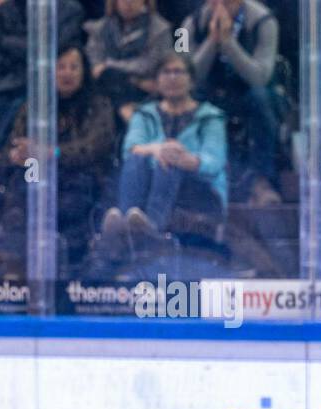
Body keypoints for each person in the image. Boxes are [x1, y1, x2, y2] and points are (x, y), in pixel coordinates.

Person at [0, 45, 114, 269]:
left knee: (65, 200)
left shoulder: (98, 105)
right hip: (34, 175)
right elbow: (14, 144)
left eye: (74, 67)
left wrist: (50, 153)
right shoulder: (34, 106)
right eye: (61, 67)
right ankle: (13, 264)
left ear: (84, 72)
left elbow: (94, 148)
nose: (67, 73)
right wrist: (16, 155)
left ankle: (69, 263)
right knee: (18, 190)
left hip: (82, 178)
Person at [96, 53, 227, 262]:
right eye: (166, 72)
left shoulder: (210, 117)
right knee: (137, 159)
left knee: (169, 161)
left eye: (178, 72)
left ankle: (149, 228)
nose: (172, 78)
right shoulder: (144, 114)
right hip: (149, 184)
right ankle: (128, 219)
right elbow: (130, 148)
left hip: (198, 188)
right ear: (156, 81)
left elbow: (215, 161)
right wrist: (157, 149)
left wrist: (187, 159)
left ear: (191, 80)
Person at [181, 0, 280, 205]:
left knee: (260, 98)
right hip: (211, 90)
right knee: (184, 98)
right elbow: (186, 76)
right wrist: (211, 40)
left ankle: (261, 180)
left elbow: (260, 76)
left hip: (247, 91)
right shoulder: (191, 23)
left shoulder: (264, 21)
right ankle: (188, 180)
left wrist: (228, 43)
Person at [0, 0, 87, 151]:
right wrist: (31, 48)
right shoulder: (6, 9)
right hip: (3, 81)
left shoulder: (71, 9)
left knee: (12, 116)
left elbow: (55, 48)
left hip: (42, 81)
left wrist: (11, 44)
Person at [85, 0, 174, 125]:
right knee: (107, 77)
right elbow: (94, 64)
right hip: (106, 91)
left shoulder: (159, 29)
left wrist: (109, 65)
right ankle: (126, 113)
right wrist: (136, 80)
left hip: (147, 94)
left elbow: (149, 64)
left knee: (109, 73)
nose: (129, 3)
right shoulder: (99, 28)